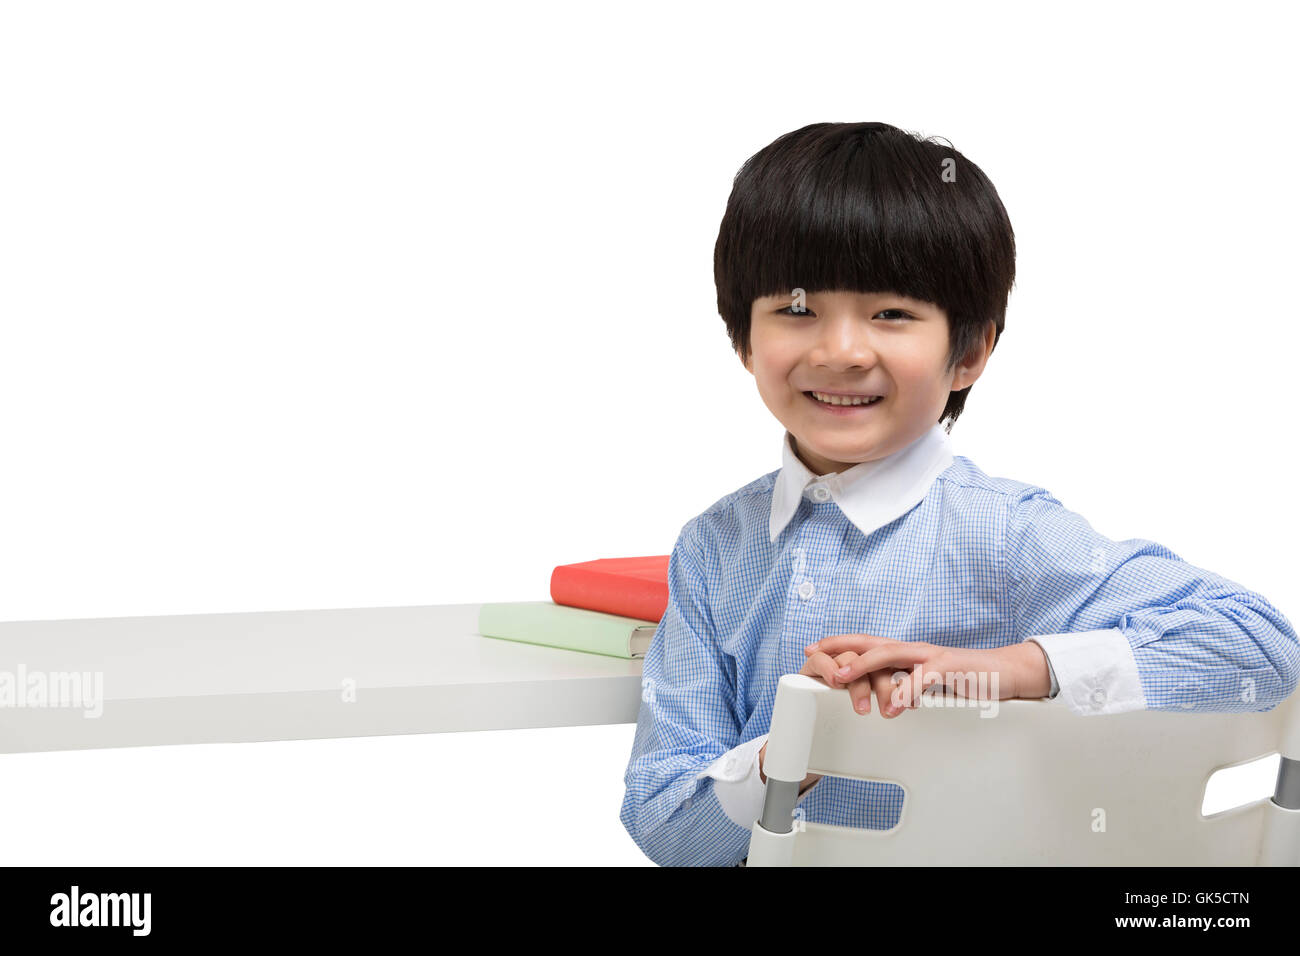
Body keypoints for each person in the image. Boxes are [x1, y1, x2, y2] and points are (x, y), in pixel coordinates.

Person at [617, 122, 1300, 867]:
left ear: (968, 352)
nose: (840, 350)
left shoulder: (1004, 534)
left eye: (891, 314)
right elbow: (664, 825)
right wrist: (788, 753)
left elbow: (1260, 643)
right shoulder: (716, 549)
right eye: (798, 309)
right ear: (745, 340)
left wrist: (1017, 668)